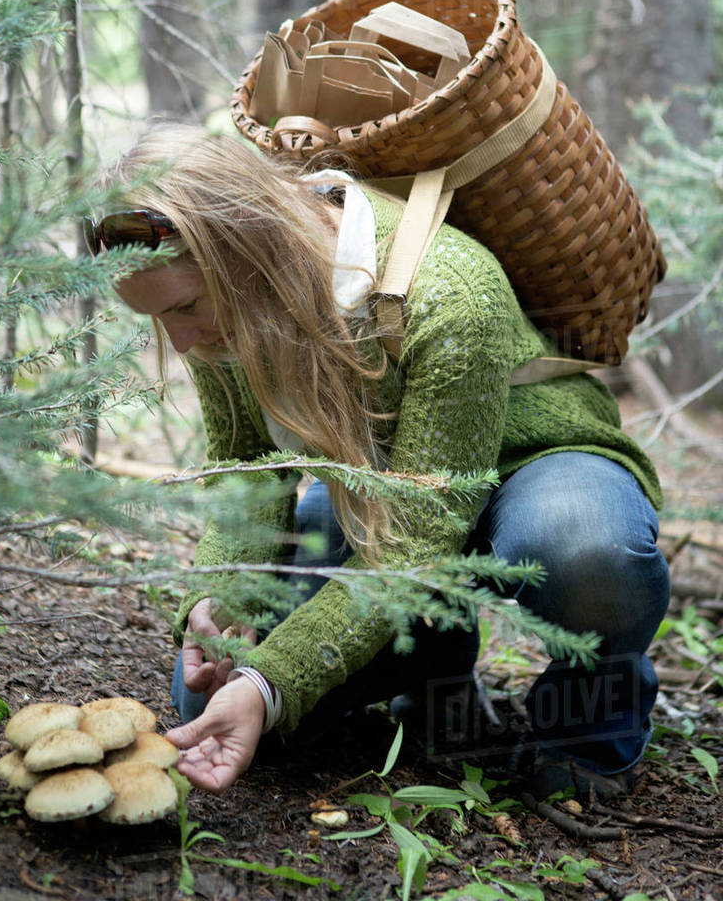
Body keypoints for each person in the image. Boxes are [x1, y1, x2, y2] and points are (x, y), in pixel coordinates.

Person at [85, 123, 670, 797]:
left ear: (247, 247)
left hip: (536, 466)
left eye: (186, 306)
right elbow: (247, 464)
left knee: (585, 553)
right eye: (160, 320)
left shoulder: (446, 289)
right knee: (216, 712)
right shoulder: (228, 310)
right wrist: (225, 597)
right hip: (383, 502)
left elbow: (418, 540)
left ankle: (589, 727)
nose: (181, 343)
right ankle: (431, 665)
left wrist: (274, 676)